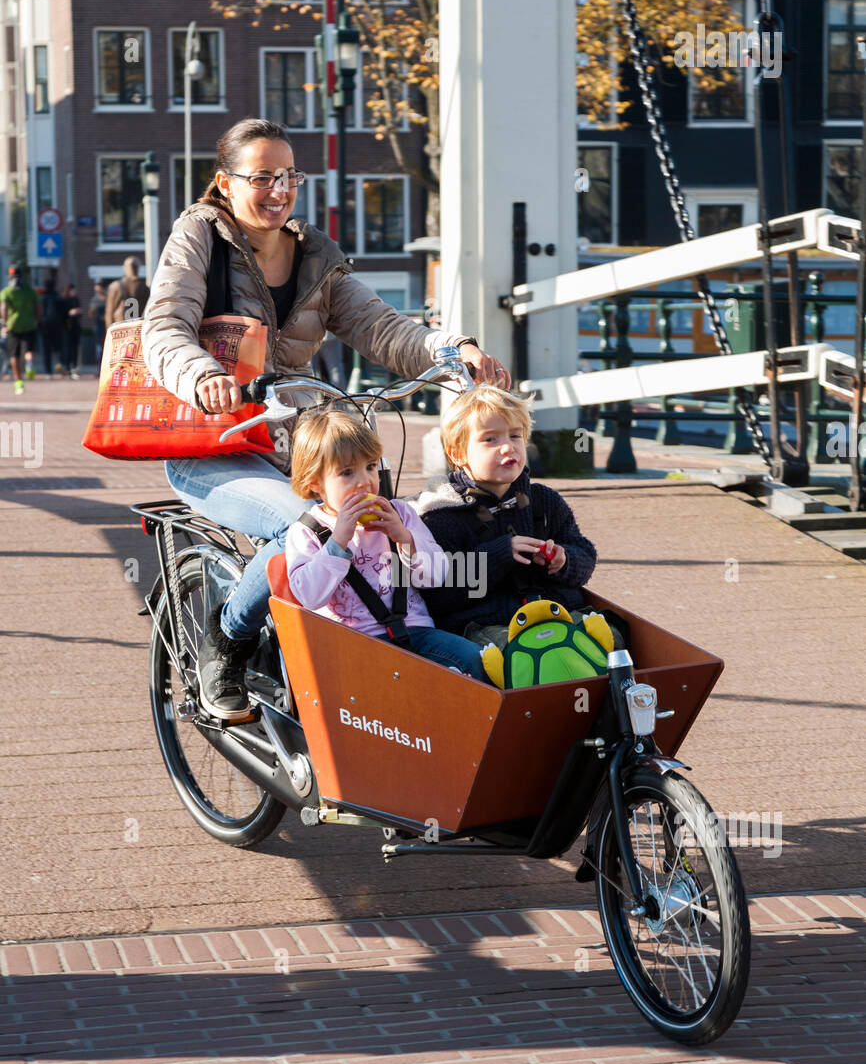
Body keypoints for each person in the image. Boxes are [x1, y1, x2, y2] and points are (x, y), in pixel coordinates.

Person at [141, 115, 509, 721]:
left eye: (289, 176)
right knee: (298, 521)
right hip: (212, 445)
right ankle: (226, 641)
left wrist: (452, 352)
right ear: (225, 183)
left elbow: (382, 328)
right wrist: (203, 376)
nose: (278, 190)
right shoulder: (198, 239)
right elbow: (165, 328)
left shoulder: (315, 257)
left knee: (383, 512)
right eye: (262, 177)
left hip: (297, 446)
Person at [280, 412, 487, 704]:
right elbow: (310, 596)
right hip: (355, 645)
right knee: (385, 699)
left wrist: (406, 539)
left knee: (472, 661)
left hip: (416, 633)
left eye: (370, 467)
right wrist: (338, 541)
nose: (365, 482)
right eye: (347, 472)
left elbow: (437, 575)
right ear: (315, 482)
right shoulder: (308, 532)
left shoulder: (400, 513)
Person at [415, 385, 599, 648]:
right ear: (457, 454)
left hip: (555, 614)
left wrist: (563, 559)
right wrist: (499, 555)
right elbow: (441, 593)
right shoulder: (443, 515)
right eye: (490, 439)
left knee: (615, 637)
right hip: (490, 625)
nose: (507, 448)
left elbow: (585, 554)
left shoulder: (544, 501)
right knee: (513, 656)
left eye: (515, 436)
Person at [0, 266, 40, 394]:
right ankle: (29, 365)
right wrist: (35, 320)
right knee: (29, 350)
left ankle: (18, 383)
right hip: (29, 324)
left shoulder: (6, 292)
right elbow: (38, 307)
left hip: (13, 326)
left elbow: (3, 308)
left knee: (14, 355)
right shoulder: (29, 291)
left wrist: (5, 324)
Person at [105, 256, 150, 326]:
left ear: (124, 268)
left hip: (122, 328)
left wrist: (109, 331)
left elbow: (109, 313)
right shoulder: (144, 288)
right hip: (136, 328)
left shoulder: (115, 286)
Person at [39, 274, 66, 377]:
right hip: (57, 326)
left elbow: (38, 312)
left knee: (46, 350)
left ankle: (48, 372)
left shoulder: (42, 298)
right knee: (58, 348)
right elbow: (64, 312)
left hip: (45, 327)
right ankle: (60, 363)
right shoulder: (58, 298)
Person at [62, 284, 82, 378]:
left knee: (75, 349)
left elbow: (80, 313)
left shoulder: (76, 300)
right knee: (67, 348)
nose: (74, 292)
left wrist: (78, 312)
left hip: (75, 328)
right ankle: (67, 368)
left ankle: (74, 368)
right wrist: (69, 313)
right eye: (72, 290)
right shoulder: (64, 300)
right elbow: (62, 314)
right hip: (67, 328)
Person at [89, 281, 108, 362]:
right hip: (98, 325)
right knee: (99, 346)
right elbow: (91, 314)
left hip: (107, 325)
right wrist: (92, 312)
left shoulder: (108, 298)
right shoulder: (94, 300)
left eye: (99, 290)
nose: (98, 292)